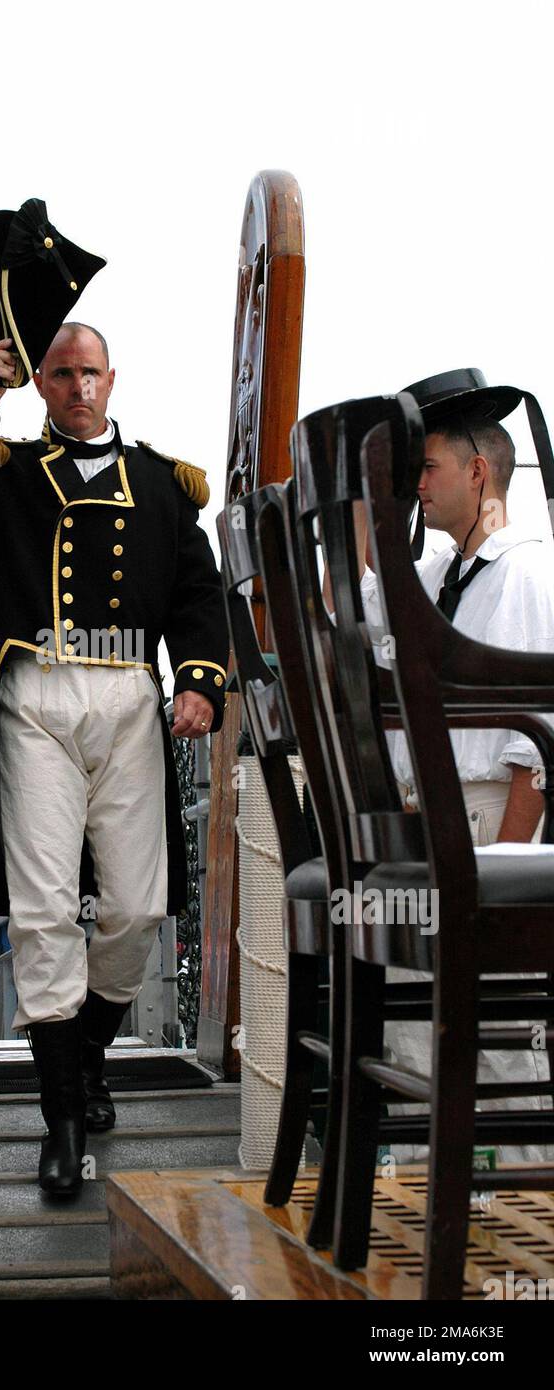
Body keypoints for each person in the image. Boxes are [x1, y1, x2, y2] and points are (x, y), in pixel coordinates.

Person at [0, 322, 228, 1195]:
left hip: (129, 694)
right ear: (40, 384)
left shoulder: (166, 485)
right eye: (61, 375)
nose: (78, 388)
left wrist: (199, 679)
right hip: (37, 694)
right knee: (45, 911)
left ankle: (86, 1052)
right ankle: (59, 1117)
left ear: (112, 379)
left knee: (135, 906)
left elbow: (199, 592)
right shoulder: (5, 471)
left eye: (90, 373)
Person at [355, 369, 554, 1164]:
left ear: (478, 473)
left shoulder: (528, 573)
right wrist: (386, 507)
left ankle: (533, 1224)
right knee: (411, 1034)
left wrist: (504, 868)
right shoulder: (441, 572)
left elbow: (535, 751)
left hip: (482, 824)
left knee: (499, 1030)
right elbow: (366, 617)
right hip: (424, 822)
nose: (417, 486)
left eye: (426, 469)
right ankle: (422, 1207)